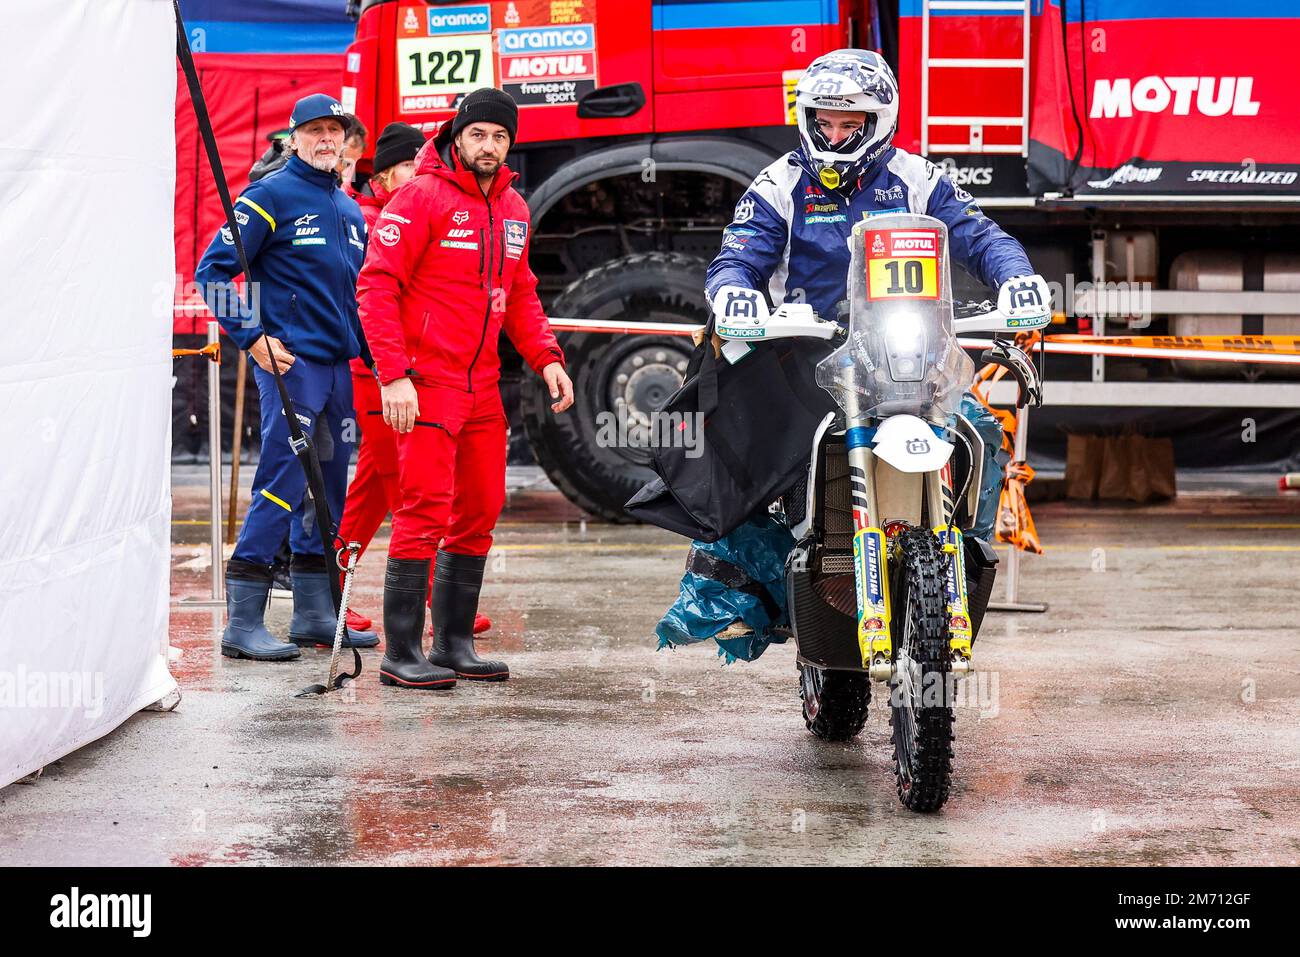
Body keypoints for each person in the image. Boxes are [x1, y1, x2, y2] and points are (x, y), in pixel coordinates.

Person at [661, 49, 1049, 656]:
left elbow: (981, 236)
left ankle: (966, 556)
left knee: (979, 431)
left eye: (850, 123)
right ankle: (746, 590)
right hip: (813, 359)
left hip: (911, 359)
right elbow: (739, 253)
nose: (835, 134)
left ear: (879, 122)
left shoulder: (918, 180)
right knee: (748, 451)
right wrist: (734, 294)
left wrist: (1016, 278)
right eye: (825, 121)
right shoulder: (780, 183)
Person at [358, 88, 574, 690]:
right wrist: (394, 375)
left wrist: (546, 357)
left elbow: (521, 293)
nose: (488, 146)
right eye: (478, 134)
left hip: (483, 387)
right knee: (424, 509)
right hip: (426, 383)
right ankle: (401, 651)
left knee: (479, 508)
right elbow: (376, 289)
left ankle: (452, 644)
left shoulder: (513, 209)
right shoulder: (419, 197)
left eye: (500, 136)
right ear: (457, 136)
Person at [196, 93, 379, 661]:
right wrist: (252, 337)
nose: (327, 139)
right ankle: (242, 622)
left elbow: (356, 303)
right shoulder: (270, 196)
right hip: (290, 366)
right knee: (281, 484)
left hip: (337, 372)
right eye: (315, 130)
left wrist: (383, 364)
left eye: (335, 131)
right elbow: (214, 271)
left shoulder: (349, 212)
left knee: (328, 490)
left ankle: (315, 614)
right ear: (294, 138)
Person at [336, 122, 493, 638]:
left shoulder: (407, 211)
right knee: (407, 491)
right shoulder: (371, 220)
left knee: (375, 491)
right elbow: (372, 297)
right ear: (384, 175)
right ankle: (418, 598)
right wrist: (392, 370)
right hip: (381, 374)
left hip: (395, 373)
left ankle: (329, 584)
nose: (423, 172)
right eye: (410, 166)